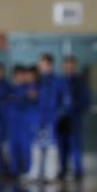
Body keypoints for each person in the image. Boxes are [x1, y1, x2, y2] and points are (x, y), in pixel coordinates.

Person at [27, 54, 64, 182]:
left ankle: (51, 174)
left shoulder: (57, 80)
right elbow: (31, 98)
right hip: (37, 118)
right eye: (39, 64)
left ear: (49, 64)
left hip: (51, 118)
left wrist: (56, 116)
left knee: (51, 147)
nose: (39, 66)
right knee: (35, 147)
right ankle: (35, 173)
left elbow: (65, 101)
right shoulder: (36, 80)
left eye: (42, 63)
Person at [57, 56, 90, 180]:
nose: (68, 68)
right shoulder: (59, 81)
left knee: (75, 145)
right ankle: (63, 169)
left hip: (74, 118)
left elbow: (85, 101)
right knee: (62, 145)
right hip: (60, 119)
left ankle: (78, 171)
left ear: (74, 66)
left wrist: (76, 109)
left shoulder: (80, 81)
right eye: (66, 66)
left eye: (71, 66)